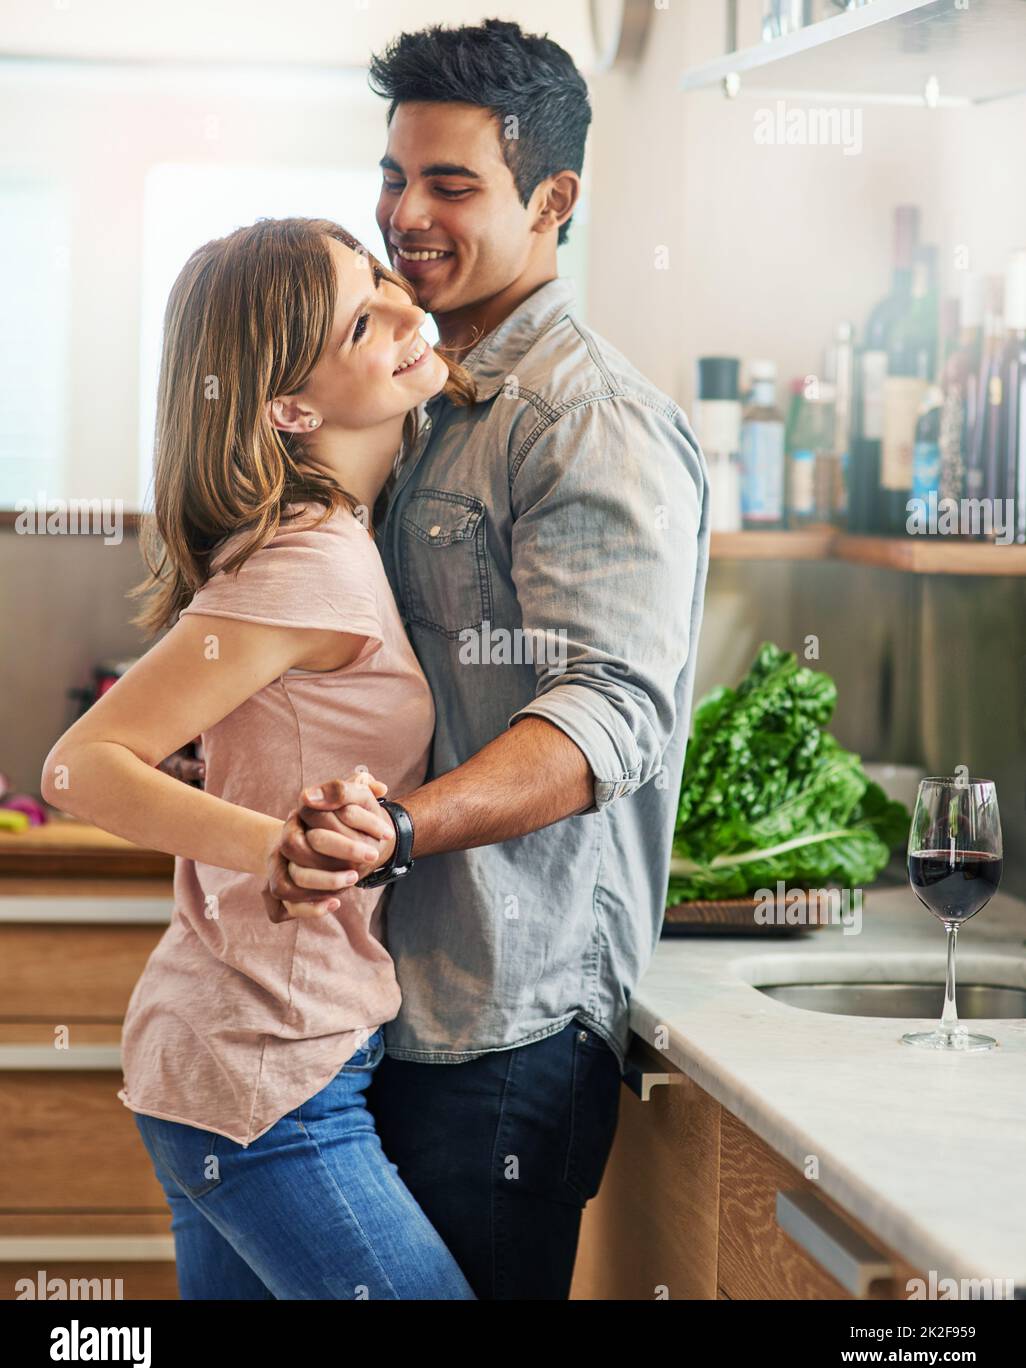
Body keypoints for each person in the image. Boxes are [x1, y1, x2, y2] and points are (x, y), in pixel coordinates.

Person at [267, 20, 710, 1300]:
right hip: (380, 1004)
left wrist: (398, 829)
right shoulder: (416, 393)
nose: (407, 214)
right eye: (395, 178)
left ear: (554, 199)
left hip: (505, 1024)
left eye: (452, 184)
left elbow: (611, 710)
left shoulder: (591, 420)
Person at [41, 217, 476, 1300]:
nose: (404, 313)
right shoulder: (312, 562)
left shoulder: (330, 534)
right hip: (266, 1081)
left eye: (385, 284)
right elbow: (81, 765)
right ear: (290, 409)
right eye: (361, 321)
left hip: (244, 1068)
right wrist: (273, 842)